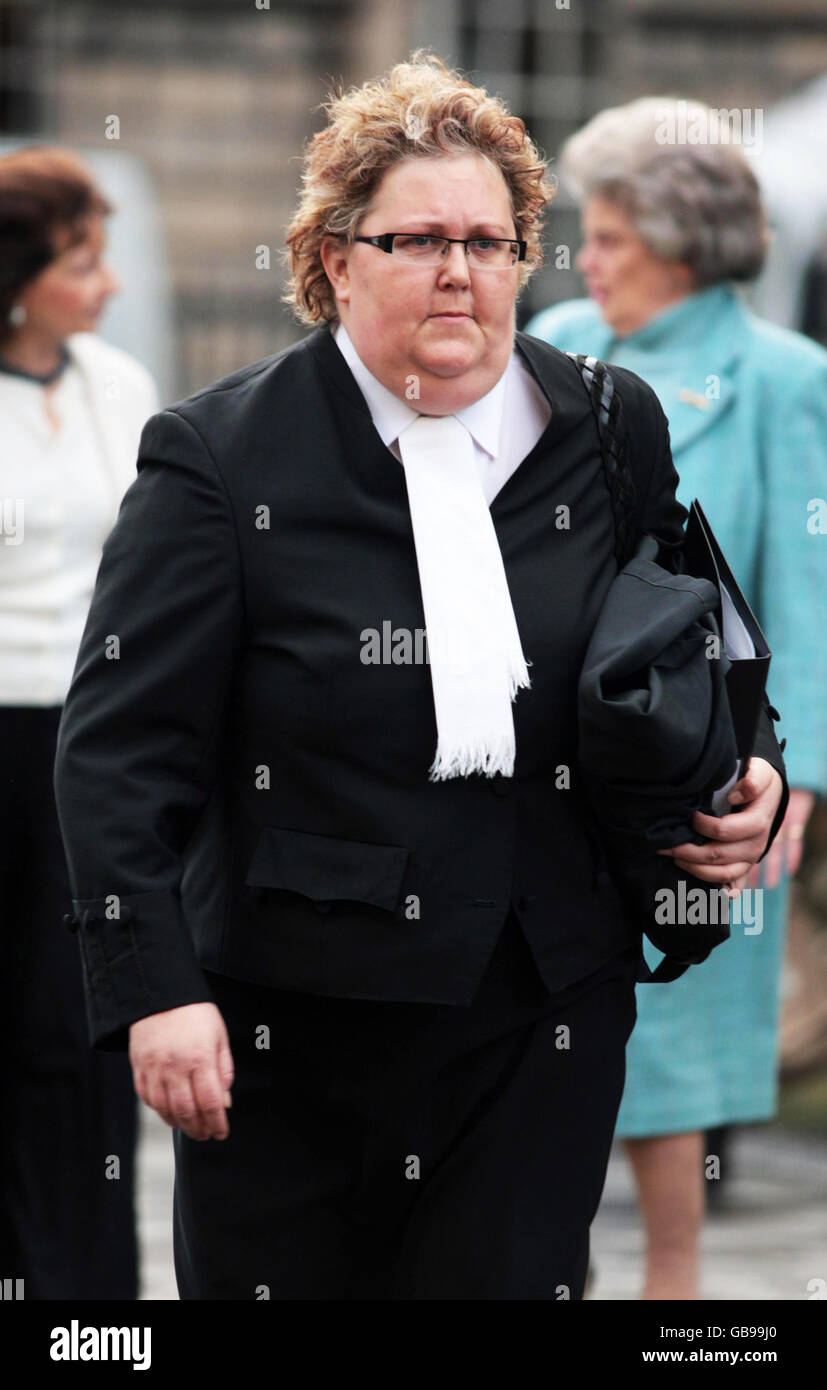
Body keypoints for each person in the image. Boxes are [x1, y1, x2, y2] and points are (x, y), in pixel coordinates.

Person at [53, 56, 786, 1301]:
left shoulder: (606, 423)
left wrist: (747, 770)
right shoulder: (222, 458)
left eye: (490, 242)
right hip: (295, 1020)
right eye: (419, 239)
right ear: (335, 258)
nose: (460, 270)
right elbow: (119, 753)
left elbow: (691, 634)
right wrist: (155, 995)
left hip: (540, 1003)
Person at [524, 96, 827, 1300]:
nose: (583, 261)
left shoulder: (780, 374)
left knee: (684, 1044)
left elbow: (803, 584)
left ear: (678, 236)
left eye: (606, 236)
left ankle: (674, 1298)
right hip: (545, 738)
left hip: (702, 753)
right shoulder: (550, 335)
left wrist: (795, 773)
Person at [0, 146, 159, 1297]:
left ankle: (91, 1300)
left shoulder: (118, 384)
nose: (106, 284)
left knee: (89, 1019)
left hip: (88, 739)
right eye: (82, 261)